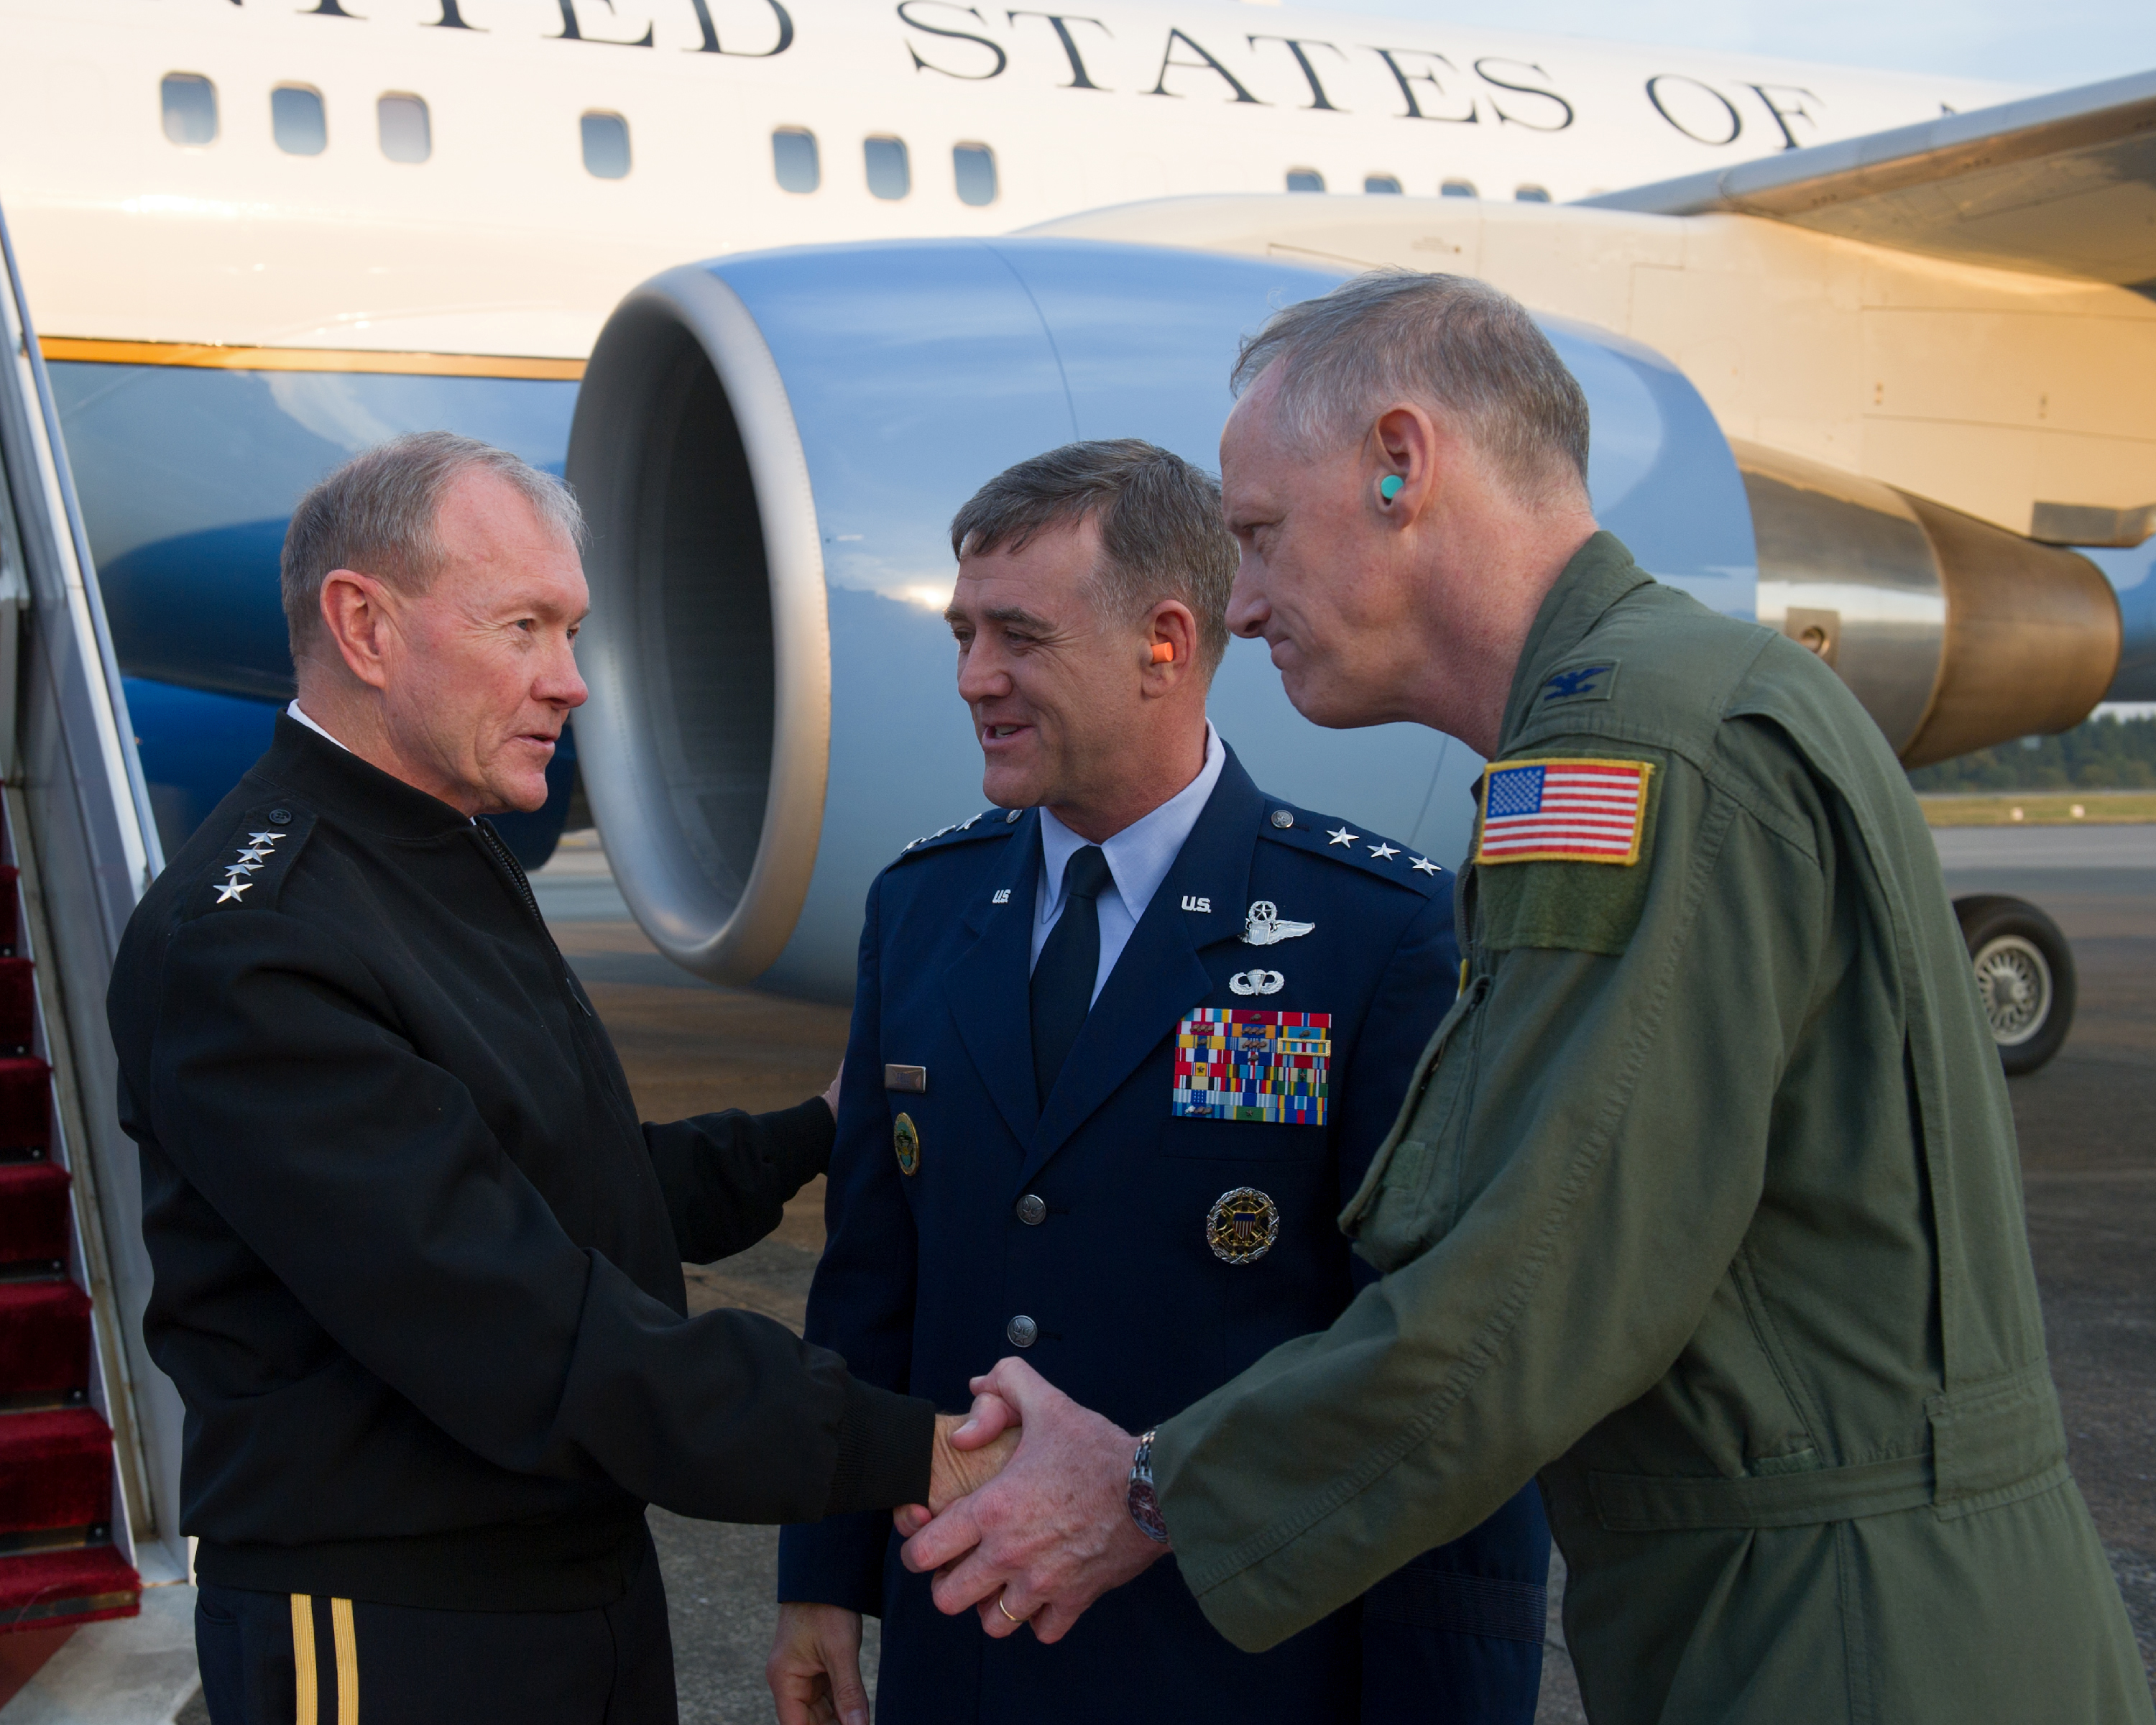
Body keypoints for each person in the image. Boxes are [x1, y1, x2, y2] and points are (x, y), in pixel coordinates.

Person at [900, 277, 2156, 1723]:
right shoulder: (1678, 699)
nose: (1241, 604)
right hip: (1851, 1606)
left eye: (1259, 536)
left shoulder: (1629, 748)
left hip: (1843, 1641)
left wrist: (1145, 1488)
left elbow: (1539, 1291)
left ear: (1400, 463)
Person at [106, 433, 1004, 1725]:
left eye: (571, 631)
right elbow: (521, 1328)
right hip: (400, 1627)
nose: (571, 682)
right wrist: (917, 1449)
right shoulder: (258, 940)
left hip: (566, 1584)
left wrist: (818, 1129)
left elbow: (566, 1180)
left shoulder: (431, 849)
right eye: (524, 626)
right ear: (365, 625)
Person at [768, 440, 1549, 1725]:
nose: (974, 679)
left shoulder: (1371, 932)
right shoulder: (922, 906)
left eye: (1017, 636)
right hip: (963, 1654)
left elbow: (1436, 1364)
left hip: (1228, 1668)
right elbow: (870, 1287)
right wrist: (821, 1582)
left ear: (1167, 641)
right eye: (963, 633)